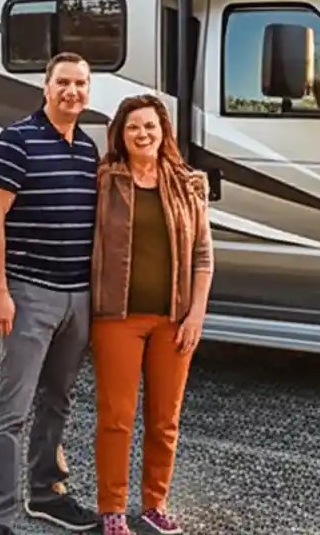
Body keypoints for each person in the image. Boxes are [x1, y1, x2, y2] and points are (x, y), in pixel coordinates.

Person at [0, 52, 101, 535]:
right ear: (46, 87)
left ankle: (46, 493)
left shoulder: (87, 149)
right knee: (12, 410)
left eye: (81, 84)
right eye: (64, 82)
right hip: (30, 295)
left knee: (58, 400)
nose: (73, 91)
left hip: (77, 297)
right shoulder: (16, 141)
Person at [88, 93, 215, 535]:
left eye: (151, 126)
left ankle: (154, 504)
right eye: (134, 127)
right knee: (116, 417)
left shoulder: (186, 184)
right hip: (116, 318)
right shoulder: (104, 181)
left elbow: (202, 256)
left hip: (173, 321)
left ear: (164, 132)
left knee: (165, 420)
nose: (143, 134)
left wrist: (196, 314)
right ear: (120, 136)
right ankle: (112, 510)